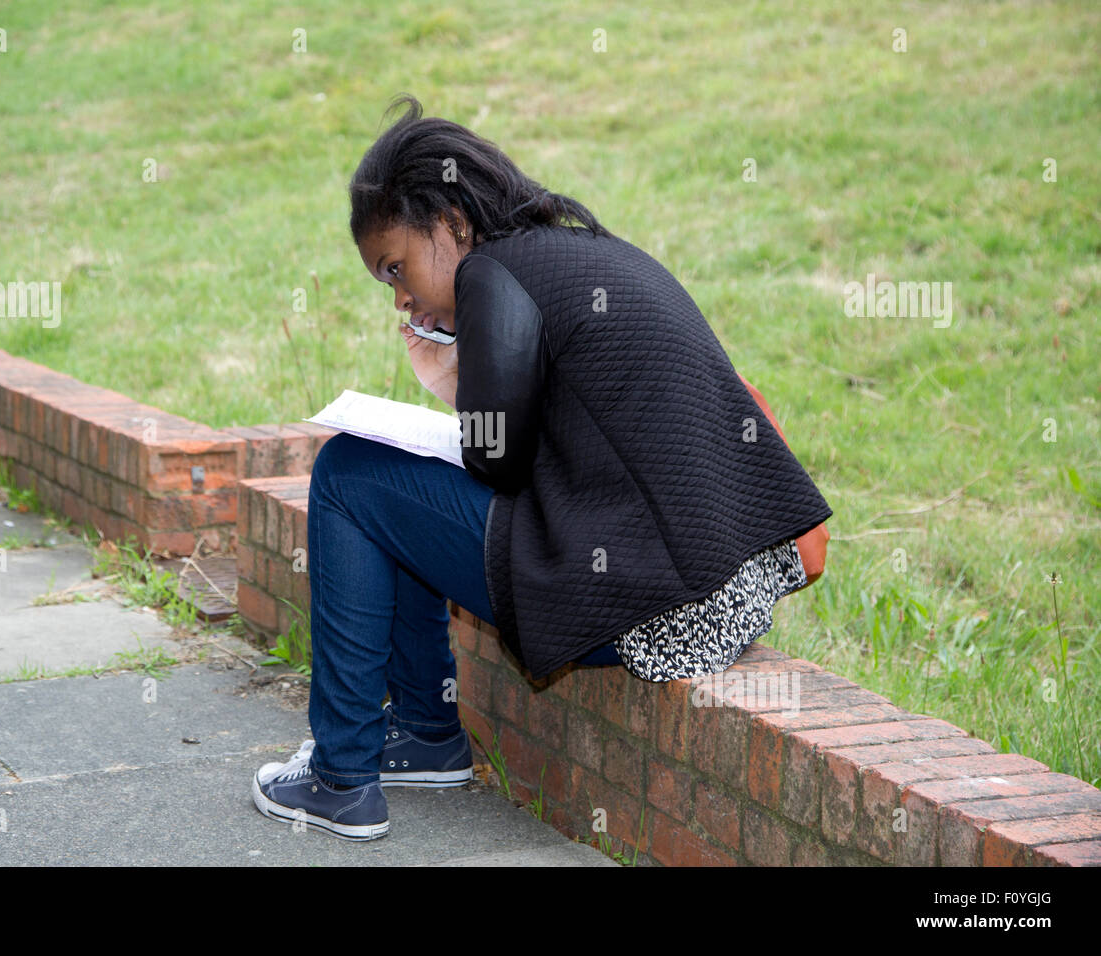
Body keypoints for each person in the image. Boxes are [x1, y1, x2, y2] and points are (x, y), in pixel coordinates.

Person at [252, 94, 833, 841]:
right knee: (386, 483)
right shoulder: (574, 251)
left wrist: (449, 385)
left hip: (656, 615)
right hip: (717, 601)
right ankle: (425, 736)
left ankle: (341, 777)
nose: (399, 297)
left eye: (396, 268)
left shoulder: (492, 278)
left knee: (346, 477)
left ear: (451, 223)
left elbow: (495, 462)